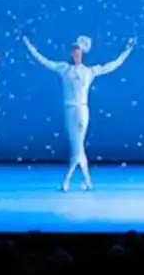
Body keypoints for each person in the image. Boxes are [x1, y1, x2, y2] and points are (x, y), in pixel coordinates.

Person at [23, 34, 136, 191]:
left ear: (82, 53)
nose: (77, 54)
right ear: (71, 53)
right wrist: (30, 46)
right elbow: (44, 61)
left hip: (81, 109)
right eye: (74, 52)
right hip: (69, 110)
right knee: (77, 145)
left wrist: (126, 52)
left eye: (79, 52)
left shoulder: (89, 71)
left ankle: (67, 180)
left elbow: (112, 65)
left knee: (78, 145)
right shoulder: (64, 69)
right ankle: (87, 181)